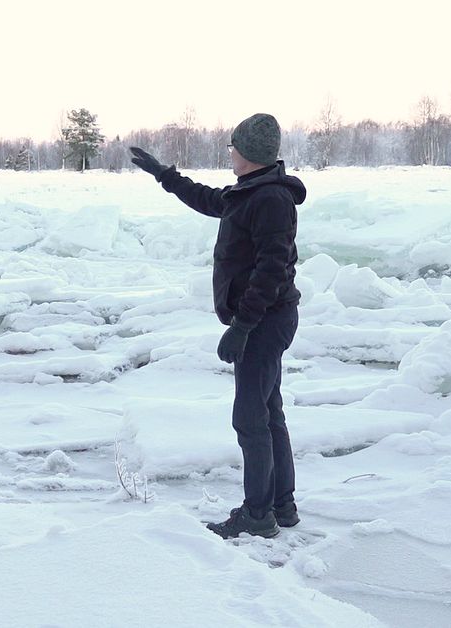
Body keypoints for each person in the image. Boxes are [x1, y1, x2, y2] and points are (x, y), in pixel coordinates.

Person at [129, 113, 306, 539]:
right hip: (266, 318)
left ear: (246, 152)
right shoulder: (252, 192)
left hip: (265, 321)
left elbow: (271, 269)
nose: (230, 154)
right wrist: (164, 175)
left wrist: (243, 326)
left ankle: (259, 513)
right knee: (268, 413)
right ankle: (282, 504)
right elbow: (209, 200)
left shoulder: (270, 200)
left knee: (250, 419)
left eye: (232, 147)